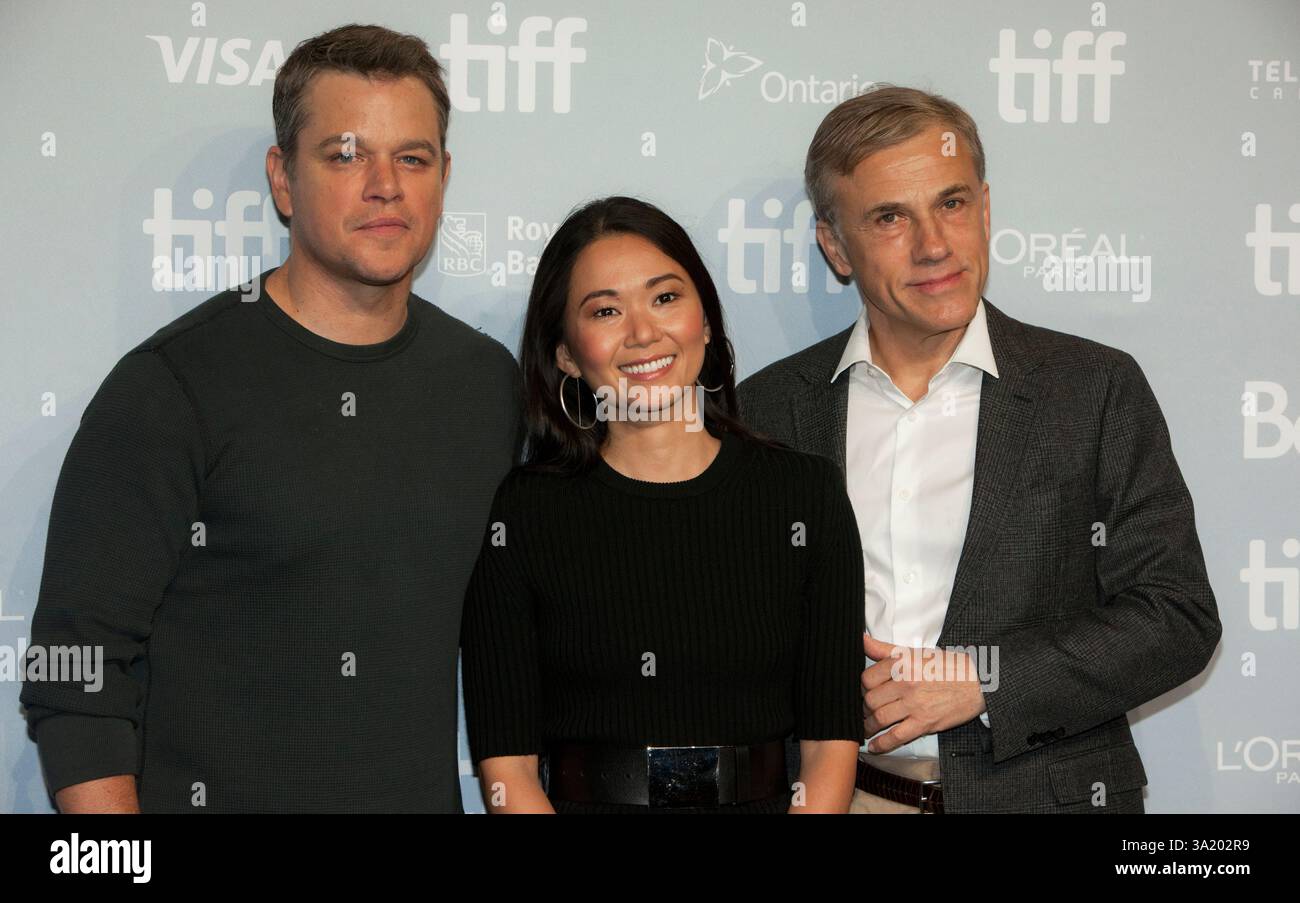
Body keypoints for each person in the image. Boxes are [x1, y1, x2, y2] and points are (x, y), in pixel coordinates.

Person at [19, 24, 522, 813]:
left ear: (443, 177)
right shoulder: (171, 387)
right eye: (346, 154)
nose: (385, 184)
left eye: (412, 157)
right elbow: (73, 669)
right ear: (283, 179)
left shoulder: (488, 385)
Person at [737, 85, 1221, 814]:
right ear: (835, 244)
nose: (935, 244)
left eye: (953, 204)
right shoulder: (766, 409)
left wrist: (983, 681)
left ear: (986, 210)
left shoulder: (1093, 389)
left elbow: (1176, 614)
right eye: (891, 217)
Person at [459, 196, 863, 813]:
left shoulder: (804, 494)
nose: (644, 332)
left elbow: (830, 743)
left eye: (666, 297)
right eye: (606, 310)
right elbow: (507, 767)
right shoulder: (527, 511)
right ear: (566, 352)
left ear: (705, 319)